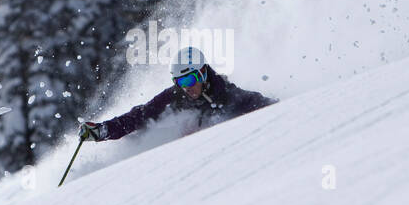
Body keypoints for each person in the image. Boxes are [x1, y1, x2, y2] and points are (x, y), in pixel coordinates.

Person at [78, 47, 276, 142]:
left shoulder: (227, 96)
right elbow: (140, 115)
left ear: (203, 74)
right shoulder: (177, 96)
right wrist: (103, 130)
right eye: (180, 82)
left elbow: (260, 105)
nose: (186, 88)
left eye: (189, 80)